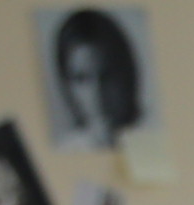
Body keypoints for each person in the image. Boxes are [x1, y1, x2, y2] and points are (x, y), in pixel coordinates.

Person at [52, 8, 147, 150]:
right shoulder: (67, 148)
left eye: (106, 75)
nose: (97, 93)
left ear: (126, 74)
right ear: (67, 85)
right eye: (81, 79)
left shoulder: (154, 137)